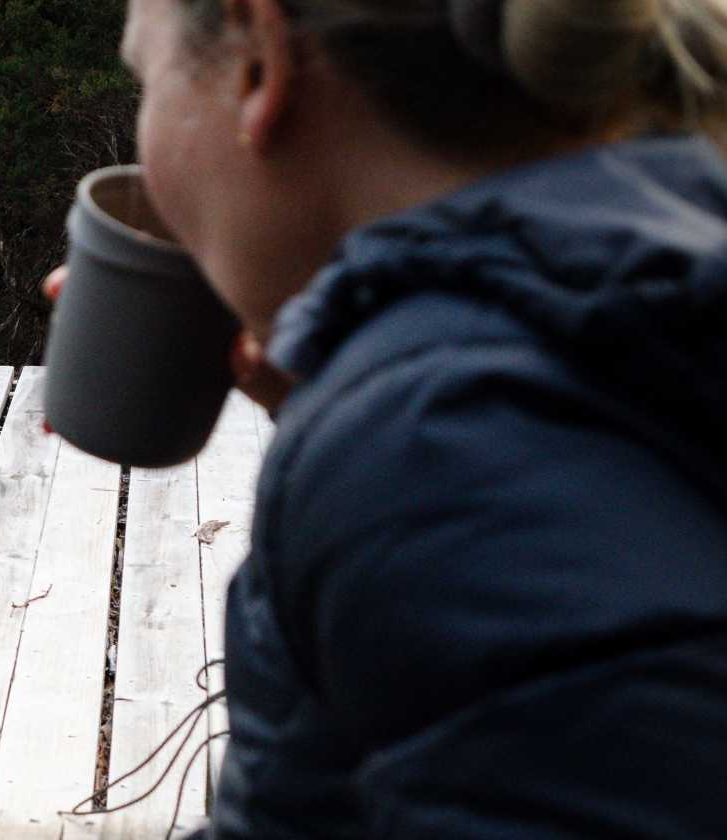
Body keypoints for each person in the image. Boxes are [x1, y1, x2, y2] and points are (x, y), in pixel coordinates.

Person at [48, 0, 727, 835]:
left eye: (145, 77)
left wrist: (380, 442)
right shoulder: (639, 309)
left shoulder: (444, 457)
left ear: (259, 62)